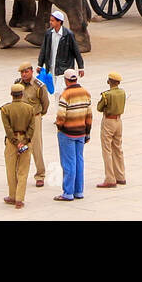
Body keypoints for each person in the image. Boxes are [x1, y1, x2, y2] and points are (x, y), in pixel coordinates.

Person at [54, 68, 92, 202]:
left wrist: (59, 127)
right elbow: (89, 116)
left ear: (66, 80)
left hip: (67, 133)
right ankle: (79, 191)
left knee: (68, 163)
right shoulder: (86, 93)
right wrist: (87, 133)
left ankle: (68, 193)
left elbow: (61, 116)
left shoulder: (65, 95)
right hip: (81, 132)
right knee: (79, 161)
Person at [1, 81, 36, 209]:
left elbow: (7, 128)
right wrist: (25, 141)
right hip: (25, 141)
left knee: (11, 170)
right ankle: (20, 199)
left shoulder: (5, 109)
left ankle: (12, 195)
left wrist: (16, 142)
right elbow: (32, 128)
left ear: (11, 95)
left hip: (11, 142)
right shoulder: (29, 108)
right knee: (23, 171)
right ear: (22, 94)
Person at [15, 61, 50, 188]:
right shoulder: (17, 84)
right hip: (21, 119)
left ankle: (40, 175)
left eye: (26, 72)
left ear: (31, 71)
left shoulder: (39, 86)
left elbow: (45, 103)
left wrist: (39, 115)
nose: (24, 74)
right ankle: (19, 174)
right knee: (20, 146)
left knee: (36, 147)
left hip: (34, 118)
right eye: (22, 72)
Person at [95, 72, 127, 189]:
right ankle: (120, 175)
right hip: (119, 121)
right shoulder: (122, 92)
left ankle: (110, 178)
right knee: (118, 148)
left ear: (109, 81)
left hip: (109, 121)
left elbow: (99, 108)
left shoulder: (107, 95)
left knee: (107, 149)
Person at [38, 9, 85, 80]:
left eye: (52, 21)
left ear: (59, 21)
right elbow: (44, 49)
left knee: (60, 89)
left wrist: (81, 67)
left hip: (64, 68)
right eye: (50, 20)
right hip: (51, 67)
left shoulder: (68, 34)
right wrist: (40, 65)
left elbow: (76, 51)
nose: (50, 22)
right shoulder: (49, 33)